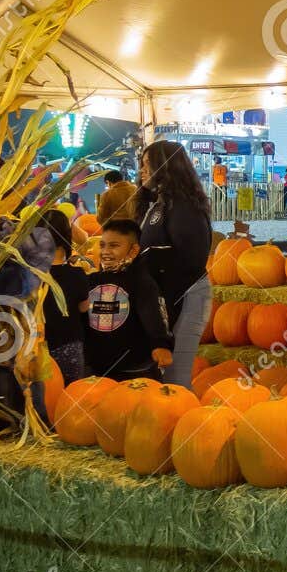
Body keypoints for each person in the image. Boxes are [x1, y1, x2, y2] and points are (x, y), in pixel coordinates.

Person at [134, 140, 214, 388]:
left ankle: (185, 425)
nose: (142, 171)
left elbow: (192, 258)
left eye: (148, 165)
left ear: (165, 167)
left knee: (176, 378)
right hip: (164, 299)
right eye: (142, 165)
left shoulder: (184, 205)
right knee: (162, 378)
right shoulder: (157, 203)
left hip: (185, 297)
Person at [82, 219, 175, 381]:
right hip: (97, 371)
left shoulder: (141, 282)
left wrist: (161, 344)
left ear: (133, 251)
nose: (105, 251)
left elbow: (154, 315)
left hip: (135, 371)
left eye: (114, 246)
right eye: (102, 245)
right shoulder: (92, 281)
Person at [39, 208, 91, 385]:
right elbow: (84, 308)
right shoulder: (77, 275)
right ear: (66, 238)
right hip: (69, 347)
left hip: (38, 348)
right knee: (70, 396)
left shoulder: (29, 276)